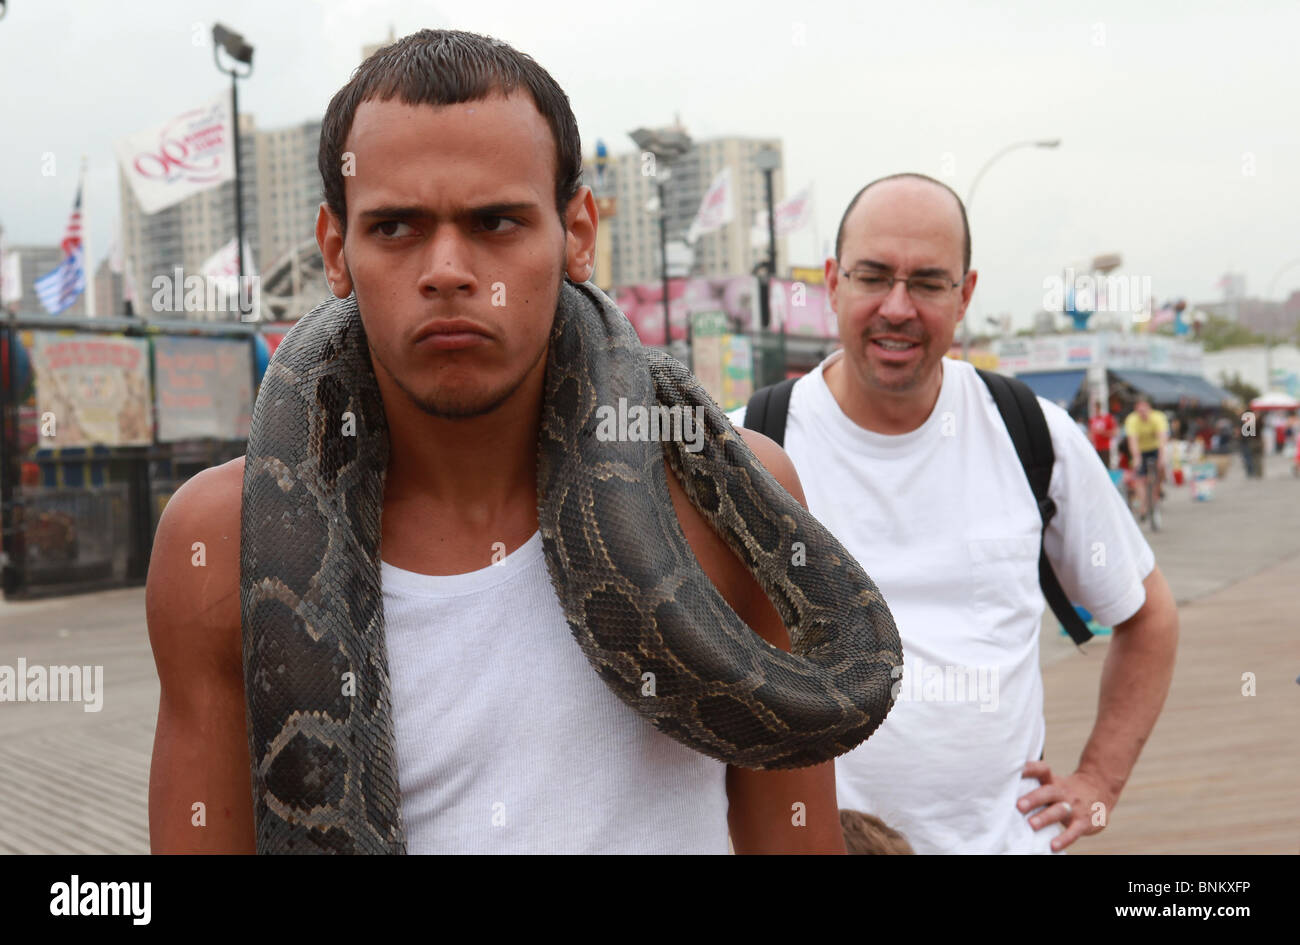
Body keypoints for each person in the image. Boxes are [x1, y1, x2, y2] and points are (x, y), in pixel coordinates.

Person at [145, 29, 844, 854]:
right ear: (336, 250)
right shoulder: (220, 538)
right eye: (397, 227)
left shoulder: (728, 505)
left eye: (496, 221)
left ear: (577, 231)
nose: (447, 269)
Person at [730, 173, 1179, 853]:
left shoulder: (1033, 432)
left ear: (965, 295)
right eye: (873, 276)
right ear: (832, 282)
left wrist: (1098, 782)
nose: (898, 307)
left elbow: (1148, 616)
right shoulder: (751, 449)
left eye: (929, 282)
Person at [1123, 397, 1169, 522]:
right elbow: (1132, 441)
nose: (1142, 412)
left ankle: (1157, 492)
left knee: (1161, 468)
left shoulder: (1158, 417)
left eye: (1145, 409)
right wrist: (1136, 458)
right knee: (1138, 477)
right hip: (1141, 450)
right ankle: (1143, 506)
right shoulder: (1132, 420)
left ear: (1150, 408)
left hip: (1155, 448)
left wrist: (1162, 456)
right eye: (1140, 410)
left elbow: (1162, 439)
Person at [1088, 399, 1118, 468]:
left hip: (1105, 447)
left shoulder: (1108, 418)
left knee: (1106, 467)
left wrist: (1101, 432)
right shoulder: (1092, 419)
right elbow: (1091, 432)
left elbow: (1114, 432)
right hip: (1095, 447)